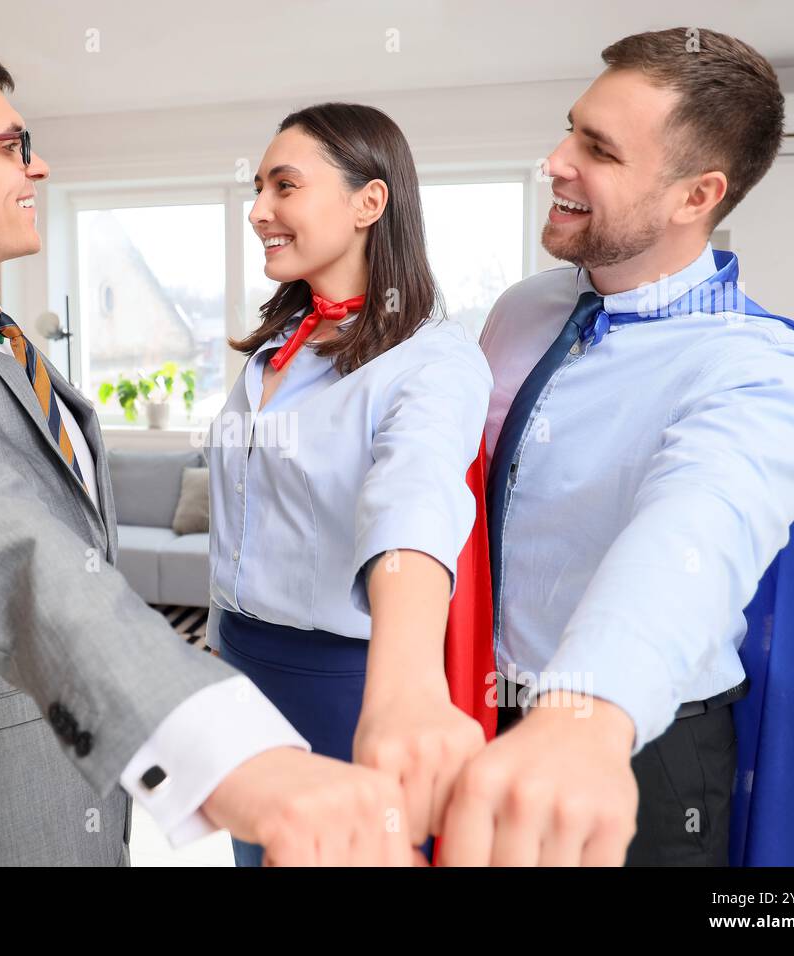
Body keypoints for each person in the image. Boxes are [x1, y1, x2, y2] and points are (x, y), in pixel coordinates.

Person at [0, 34, 421, 867]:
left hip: (80, 785)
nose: (36, 169)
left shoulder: (6, 343)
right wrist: (210, 735)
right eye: (11, 147)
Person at [435, 27, 794, 866]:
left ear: (697, 196)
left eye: (599, 149)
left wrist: (585, 710)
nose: (555, 160)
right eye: (570, 128)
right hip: (479, 709)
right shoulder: (520, 312)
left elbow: (692, 532)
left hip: (639, 749)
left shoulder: (759, 365)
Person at [205, 102, 496, 867]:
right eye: (257, 189)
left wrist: (401, 690)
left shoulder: (434, 362)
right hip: (239, 665)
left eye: (284, 187)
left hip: (345, 683)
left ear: (370, 201)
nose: (259, 211)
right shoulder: (278, 347)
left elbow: (415, 500)